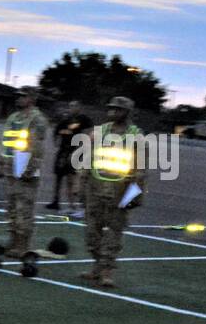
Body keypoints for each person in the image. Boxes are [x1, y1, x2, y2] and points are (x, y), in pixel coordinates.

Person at [80, 96, 145, 288]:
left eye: (118, 110)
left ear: (127, 112)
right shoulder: (99, 132)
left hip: (120, 190)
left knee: (113, 232)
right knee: (92, 230)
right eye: (111, 109)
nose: (113, 113)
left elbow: (140, 170)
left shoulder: (136, 135)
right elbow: (88, 159)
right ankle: (96, 266)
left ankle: (107, 271)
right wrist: (80, 183)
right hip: (96, 187)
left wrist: (135, 194)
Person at [0, 86, 48, 255]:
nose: (18, 98)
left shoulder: (37, 119)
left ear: (32, 98)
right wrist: (2, 163)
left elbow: (37, 148)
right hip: (12, 165)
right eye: (17, 96)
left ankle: (23, 245)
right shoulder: (13, 118)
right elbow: (7, 143)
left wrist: (30, 168)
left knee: (24, 208)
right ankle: (13, 241)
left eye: (22, 96)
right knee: (11, 207)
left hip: (26, 165)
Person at [47, 100, 93, 216]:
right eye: (70, 106)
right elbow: (57, 132)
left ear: (79, 107)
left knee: (77, 180)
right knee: (65, 179)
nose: (72, 108)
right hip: (64, 151)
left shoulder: (83, 119)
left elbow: (89, 133)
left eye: (75, 106)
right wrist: (57, 141)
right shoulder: (65, 119)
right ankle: (71, 206)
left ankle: (82, 207)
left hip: (76, 151)